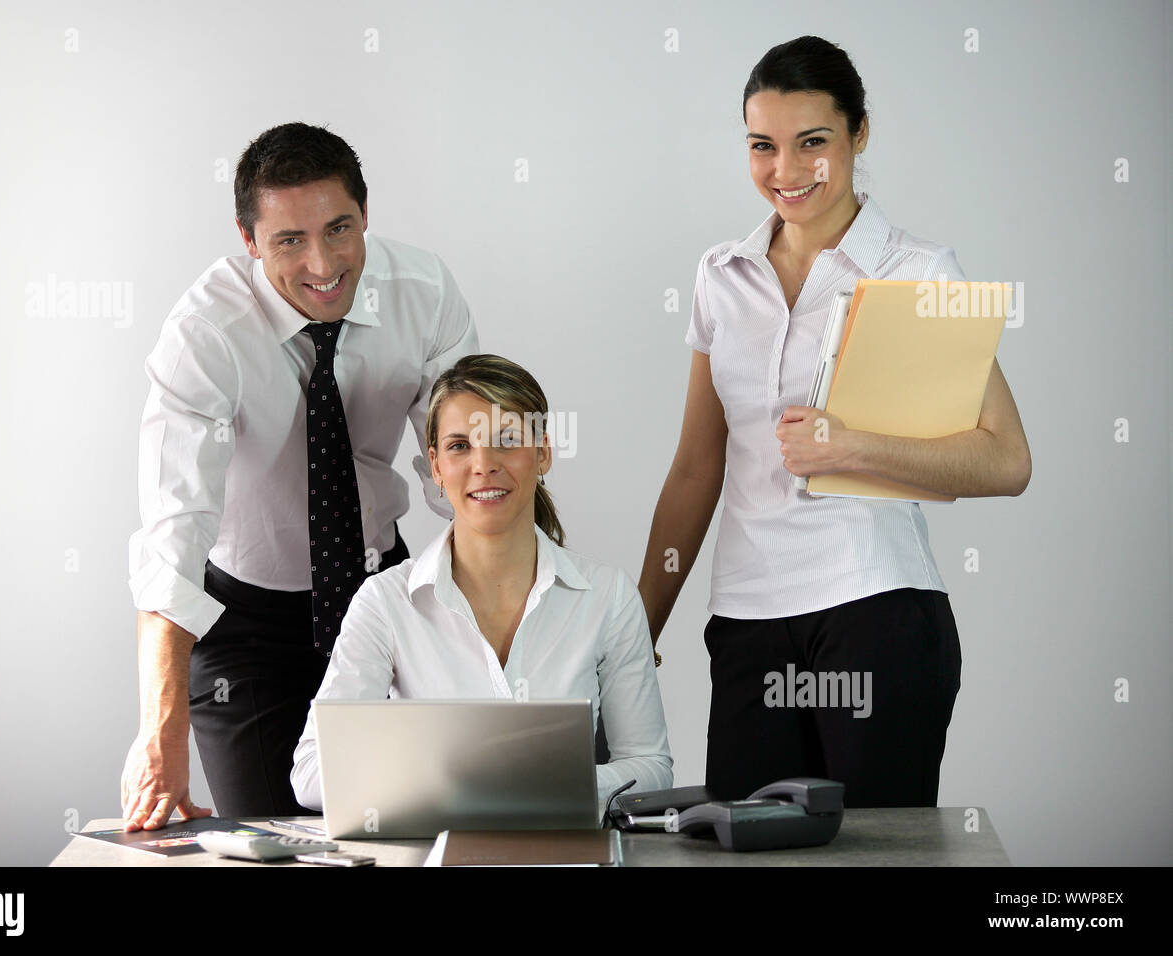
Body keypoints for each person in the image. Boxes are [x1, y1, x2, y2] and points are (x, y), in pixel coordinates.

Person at [637, 36, 1031, 808]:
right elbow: (695, 469)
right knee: (747, 855)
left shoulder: (917, 272)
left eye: (812, 142)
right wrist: (639, 626)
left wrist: (852, 446)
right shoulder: (721, 276)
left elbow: (1006, 460)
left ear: (859, 134)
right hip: (748, 620)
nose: (786, 171)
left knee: (874, 859)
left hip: (876, 613)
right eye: (763, 146)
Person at [120, 122, 479, 828]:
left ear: (367, 214)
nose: (323, 263)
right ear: (248, 240)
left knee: (408, 827)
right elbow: (174, 534)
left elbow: (464, 474)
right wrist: (162, 730)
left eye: (340, 228)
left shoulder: (424, 292)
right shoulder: (206, 334)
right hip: (247, 626)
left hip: (381, 595)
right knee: (276, 840)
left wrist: (526, 623)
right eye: (290, 240)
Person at [291, 354, 673, 814]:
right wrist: (458, 782)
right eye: (459, 446)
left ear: (543, 453)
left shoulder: (608, 595)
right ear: (434, 466)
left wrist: (528, 786)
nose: (484, 464)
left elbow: (650, 767)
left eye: (507, 440)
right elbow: (311, 771)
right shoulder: (384, 603)